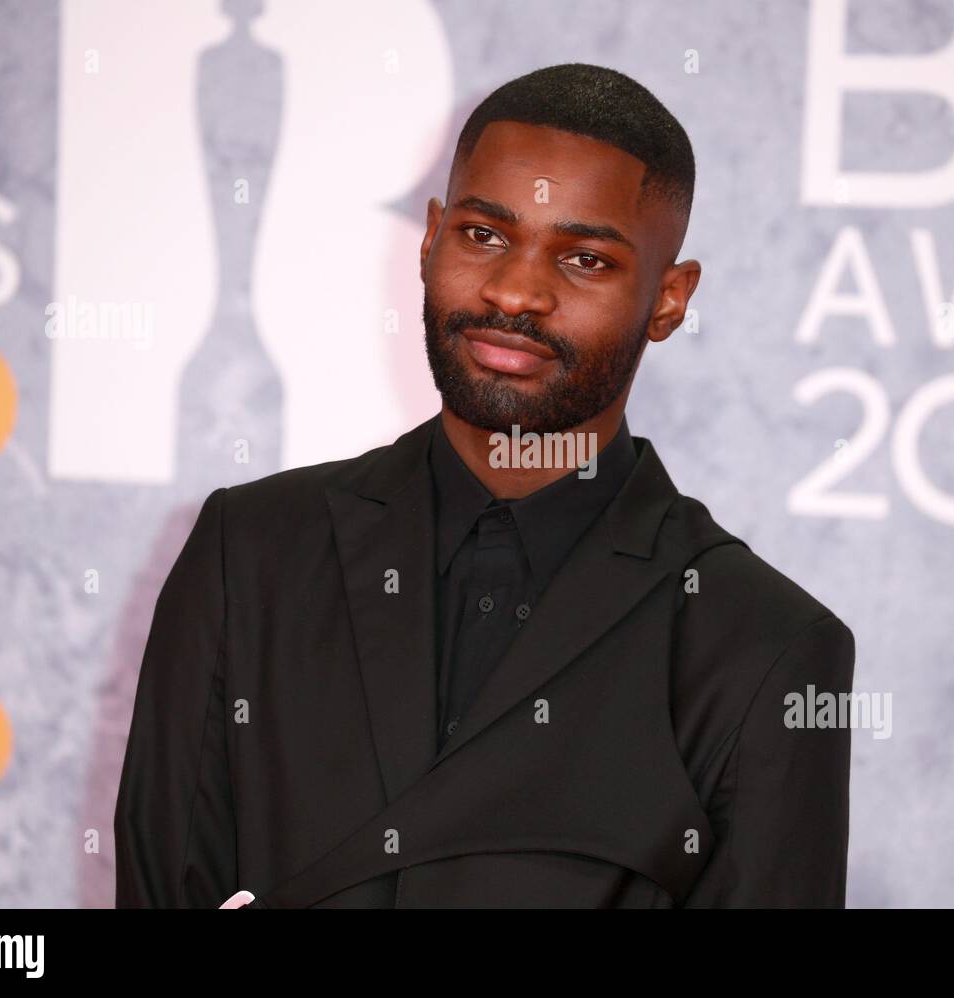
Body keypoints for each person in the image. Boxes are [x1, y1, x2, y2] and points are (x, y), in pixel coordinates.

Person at [114, 62, 855, 908]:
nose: (515, 292)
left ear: (669, 298)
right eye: (486, 236)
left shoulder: (765, 645)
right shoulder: (247, 554)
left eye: (584, 258)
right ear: (430, 238)